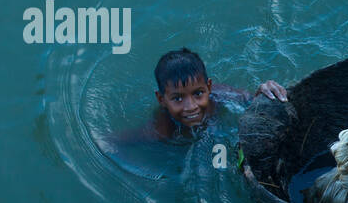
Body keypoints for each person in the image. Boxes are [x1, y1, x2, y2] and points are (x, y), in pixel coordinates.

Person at [108, 48, 288, 146]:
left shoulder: (219, 95)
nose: (190, 106)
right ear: (161, 99)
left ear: (208, 87)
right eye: (178, 98)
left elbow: (253, 100)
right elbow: (125, 138)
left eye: (198, 93)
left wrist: (266, 90)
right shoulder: (162, 129)